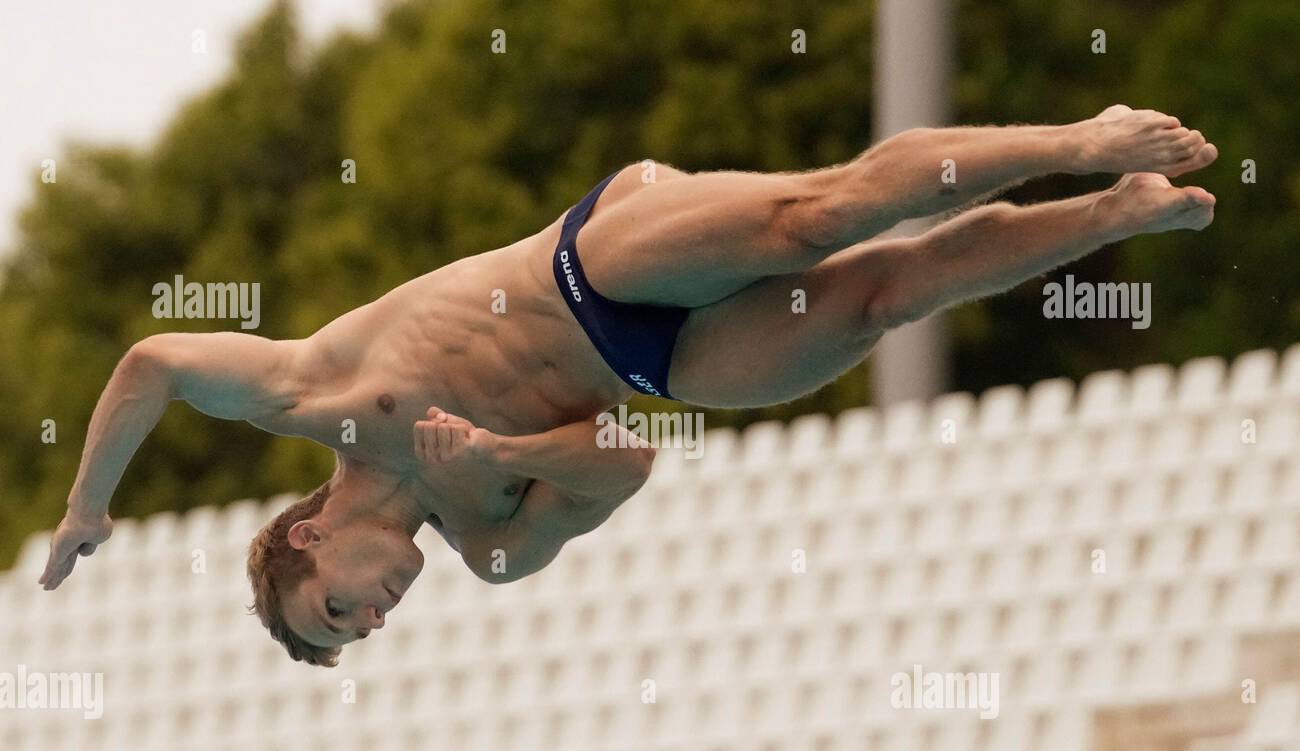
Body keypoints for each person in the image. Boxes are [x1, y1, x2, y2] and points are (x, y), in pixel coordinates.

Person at [39, 105, 1217, 665]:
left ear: (305, 534)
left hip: (583, 266)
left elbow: (153, 365)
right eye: (358, 629)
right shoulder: (490, 542)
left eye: (338, 608)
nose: (376, 614)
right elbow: (630, 460)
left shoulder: (317, 394)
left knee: (818, 218)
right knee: (882, 296)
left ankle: (1084, 139)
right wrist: (504, 461)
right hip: (655, 367)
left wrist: (93, 503)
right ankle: (1105, 216)